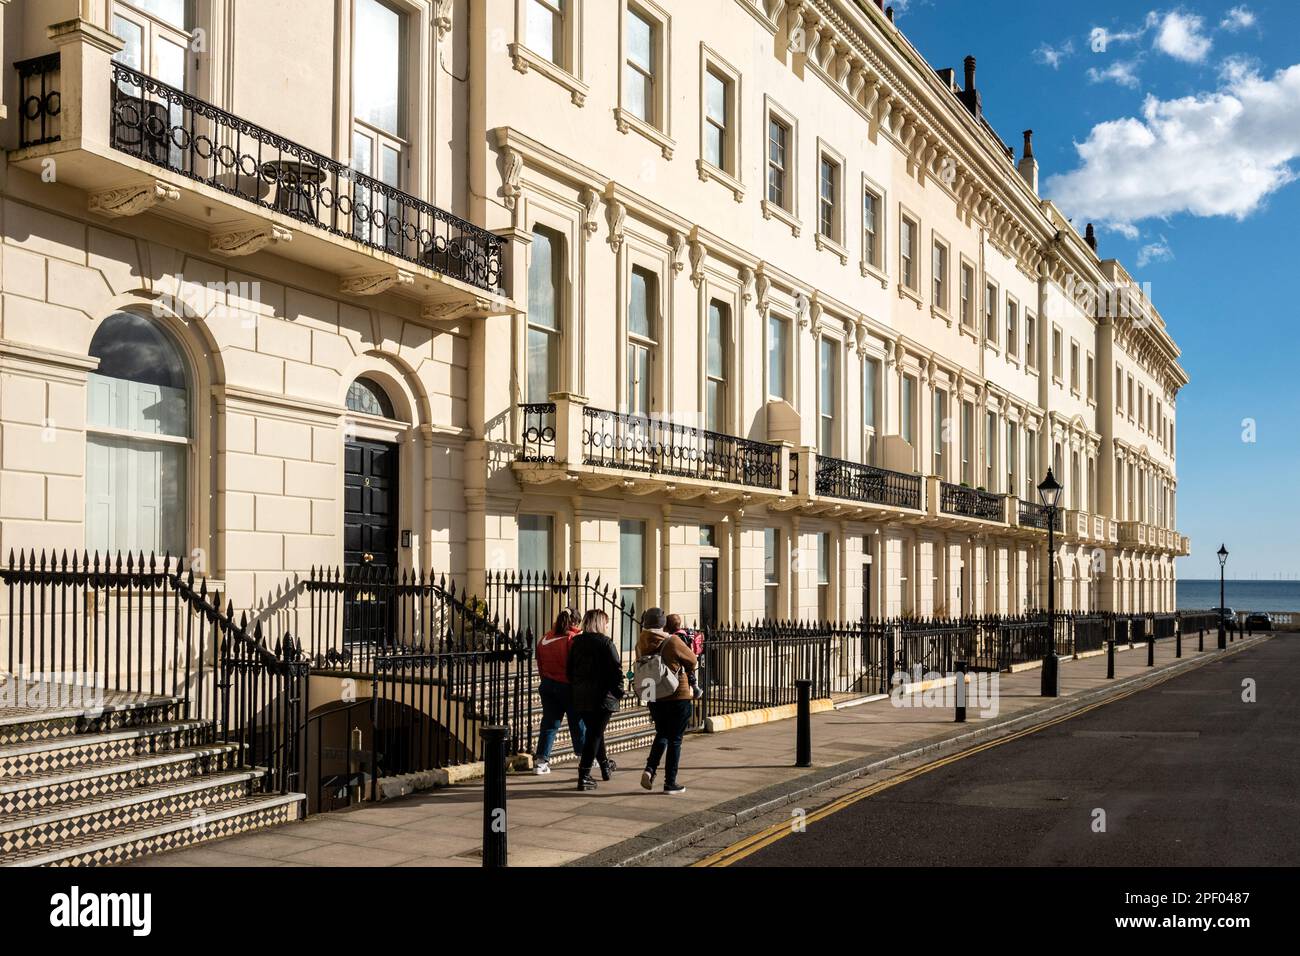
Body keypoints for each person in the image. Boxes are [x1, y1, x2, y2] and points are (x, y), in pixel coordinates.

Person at [636, 607, 697, 795]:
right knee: (675, 740)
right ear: (662, 624)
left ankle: (650, 769)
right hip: (677, 694)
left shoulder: (641, 642)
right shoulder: (672, 641)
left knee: (661, 733)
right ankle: (670, 783)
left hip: (654, 694)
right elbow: (693, 660)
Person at [567, 608, 624, 791]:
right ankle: (583, 775)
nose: (607, 626)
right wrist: (619, 692)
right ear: (600, 623)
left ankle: (605, 766)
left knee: (595, 732)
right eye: (605, 622)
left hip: (580, 695)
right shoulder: (606, 643)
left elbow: (569, 670)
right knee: (594, 735)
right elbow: (616, 671)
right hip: (602, 697)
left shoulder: (576, 642)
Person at [532, 608, 584, 775]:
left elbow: (540, 664)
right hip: (568, 686)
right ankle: (585, 757)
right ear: (575, 622)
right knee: (577, 723)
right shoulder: (573, 639)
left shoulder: (545, 638)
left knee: (549, 724)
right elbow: (577, 666)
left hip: (547, 685)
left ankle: (540, 762)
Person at [665, 613, 702, 699]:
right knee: (690, 673)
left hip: (682, 661)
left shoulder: (676, 637)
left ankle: (695, 688)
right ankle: (695, 687)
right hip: (687, 658)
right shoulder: (684, 633)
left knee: (688, 673)